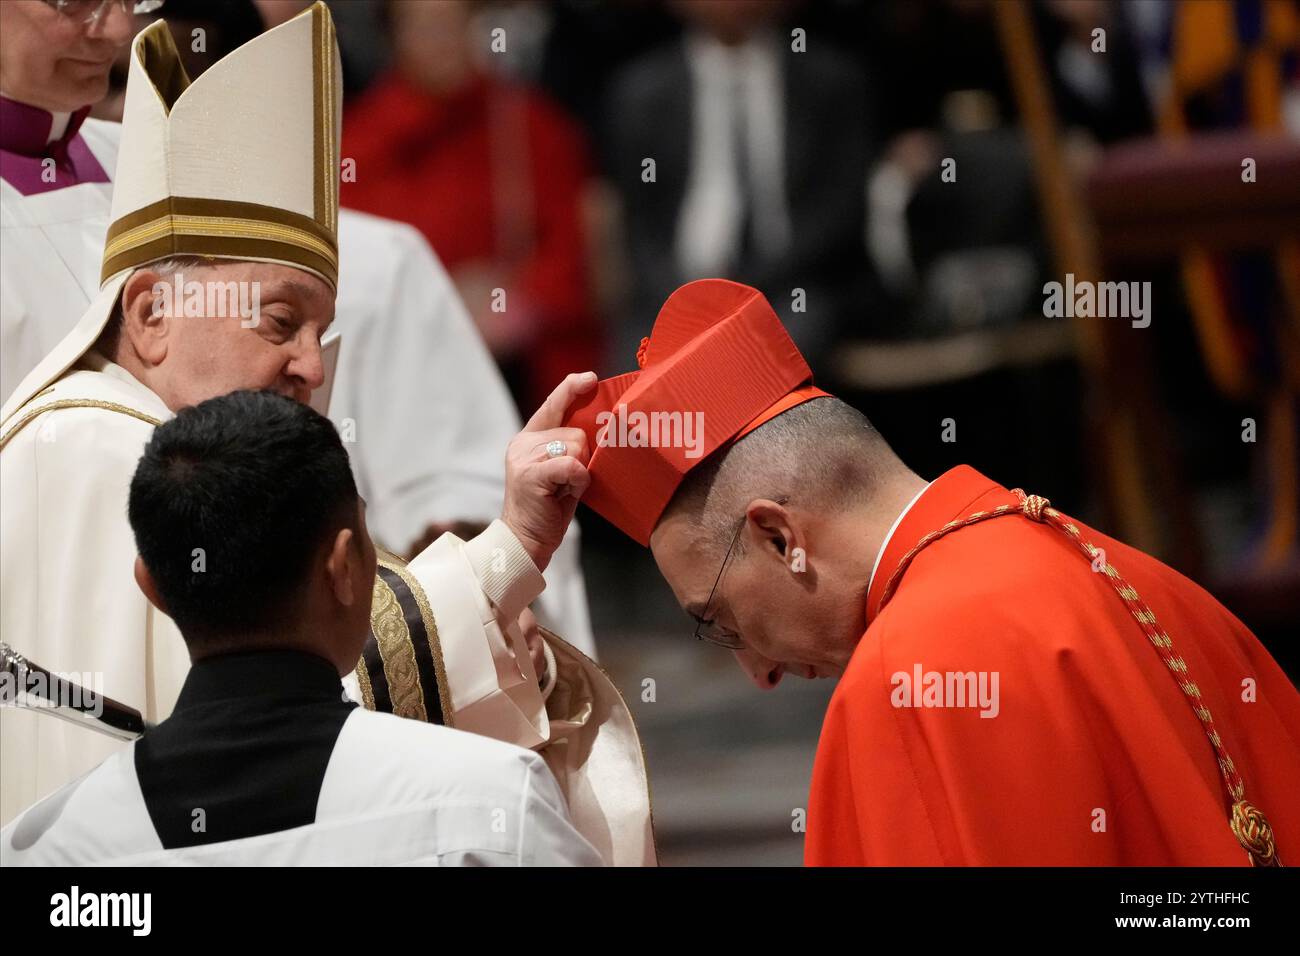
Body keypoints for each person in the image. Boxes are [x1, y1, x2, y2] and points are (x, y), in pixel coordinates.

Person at [0, 4, 654, 866]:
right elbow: (284, 706)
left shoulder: (139, 444)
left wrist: (500, 563)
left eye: (324, 333)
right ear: (152, 314)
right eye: (279, 322)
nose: (312, 367)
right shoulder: (100, 458)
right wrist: (492, 576)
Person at [558, 277, 1300, 866]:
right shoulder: (1128, 570)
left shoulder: (904, 678)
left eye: (716, 620)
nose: (758, 675)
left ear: (779, 537)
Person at [0, 0, 597, 655]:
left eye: (125, 3)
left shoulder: (172, 181)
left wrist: (500, 554)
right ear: (147, 314)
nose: (116, 33)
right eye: (75, 3)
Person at [1, 389, 601, 866]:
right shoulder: (491, 808)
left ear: (151, 587)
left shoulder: (45, 850)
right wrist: (512, 549)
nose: (312, 363)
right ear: (346, 567)